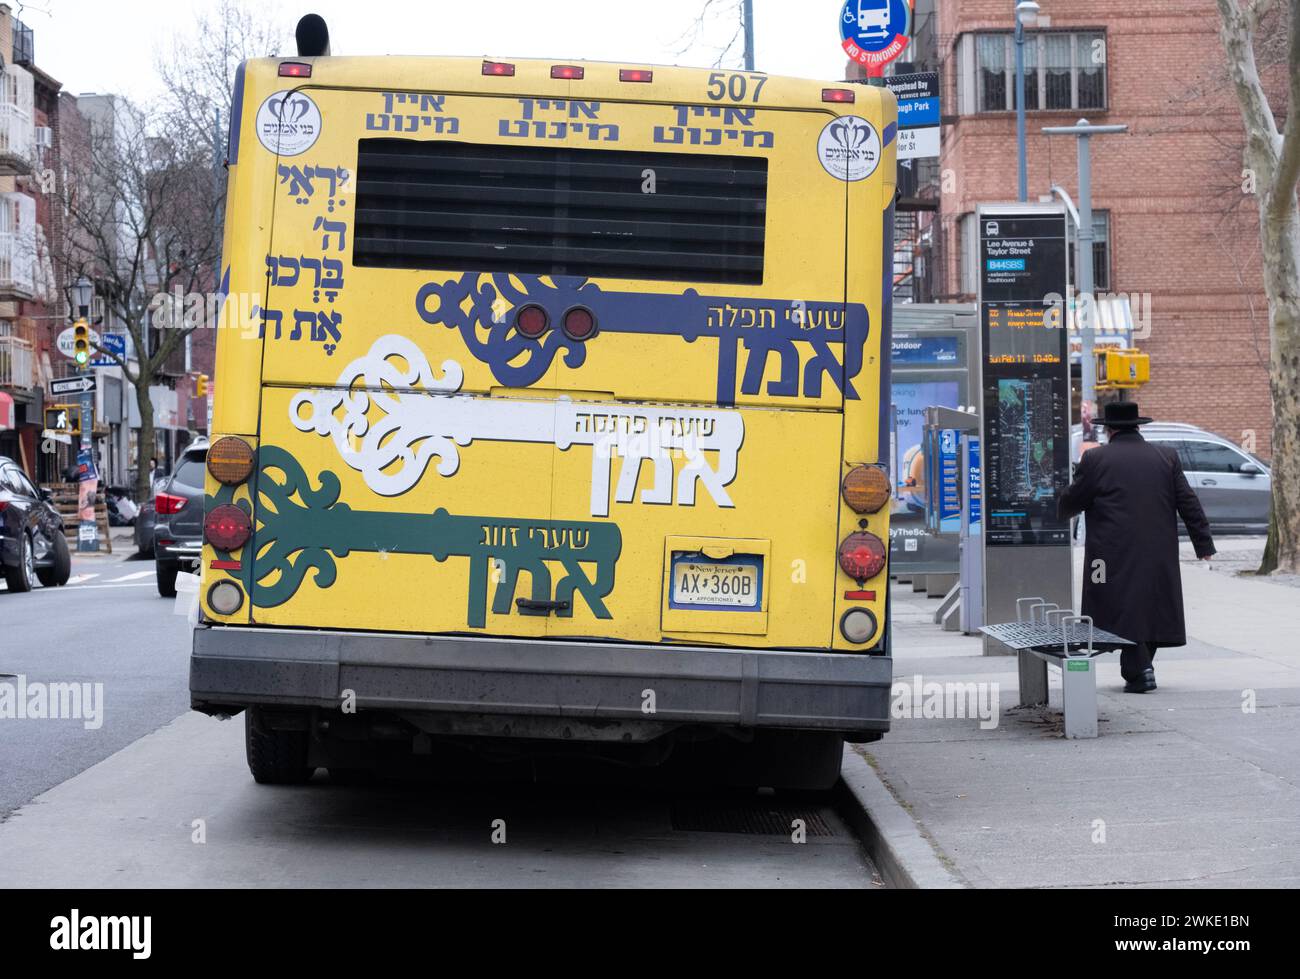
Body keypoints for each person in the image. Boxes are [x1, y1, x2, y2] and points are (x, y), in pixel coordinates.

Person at [1058, 402, 1216, 693]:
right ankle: (1141, 667)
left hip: (1108, 555)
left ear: (1109, 429)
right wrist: (1203, 544)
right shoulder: (1165, 457)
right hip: (1158, 550)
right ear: (1137, 426)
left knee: (1116, 606)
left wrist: (1057, 506)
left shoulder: (1096, 459)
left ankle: (1139, 669)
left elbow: (1074, 500)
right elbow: (1188, 502)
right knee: (1152, 606)